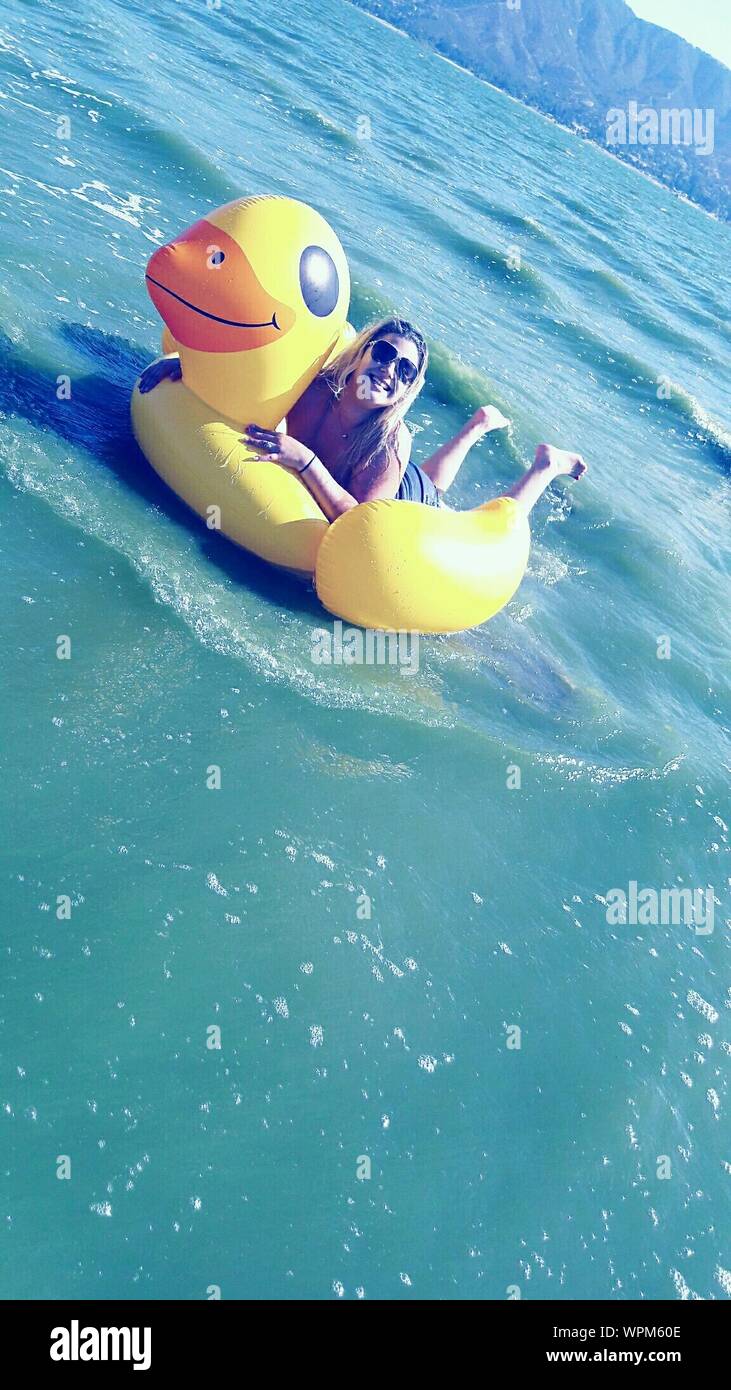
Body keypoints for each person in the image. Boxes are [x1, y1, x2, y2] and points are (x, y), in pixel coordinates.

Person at [138, 316, 587, 520]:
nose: (389, 369)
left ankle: (546, 466)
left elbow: (361, 523)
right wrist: (187, 367)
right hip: (378, 473)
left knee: (450, 503)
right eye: (385, 353)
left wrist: (305, 462)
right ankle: (477, 425)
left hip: (405, 500)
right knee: (429, 477)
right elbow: (251, 368)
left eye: (404, 369)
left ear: (408, 387)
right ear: (364, 351)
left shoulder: (388, 444)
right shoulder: (312, 383)